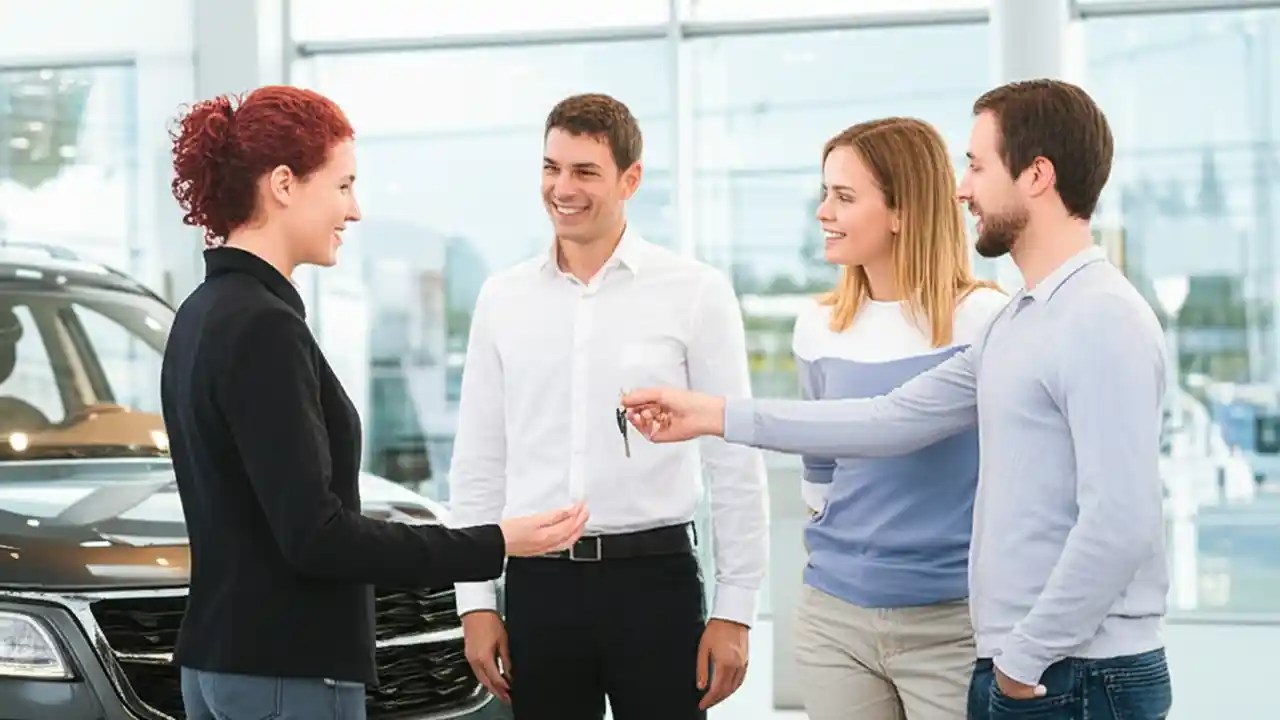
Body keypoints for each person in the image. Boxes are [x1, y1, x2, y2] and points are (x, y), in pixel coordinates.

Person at [622, 79, 1174, 720]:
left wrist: (1025, 659)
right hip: (1029, 663)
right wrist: (710, 414)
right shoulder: (1023, 322)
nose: (961, 187)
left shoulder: (1100, 317)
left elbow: (1122, 521)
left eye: (976, 165)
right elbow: (888, 420)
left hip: (1073, 671)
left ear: (1037, 175)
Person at [160, 86, 589, 720]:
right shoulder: (264, 328)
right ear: (283, 184)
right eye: (342, 185)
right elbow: (319, 538)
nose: (354, 210)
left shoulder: (201, 314)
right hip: (286, 668)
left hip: (220, 664)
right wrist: (493, 541)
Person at [447, 92, 768, 720]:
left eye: (585, 172)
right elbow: (480, 459)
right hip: (539, 585)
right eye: (551, 167)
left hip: (656, 583)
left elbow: (732, 459)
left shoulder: (696, 293)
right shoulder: (501, 298)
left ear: (631, 179)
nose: (562, 188)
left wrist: (736, 610)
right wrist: (476, 602)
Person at [791, 116, 1006, 720]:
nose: (823, 212)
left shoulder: (986, 320)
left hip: (952, 625)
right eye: (825, 192)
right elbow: (819, 472)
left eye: (844, 196)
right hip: (834, 619)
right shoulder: (817, 325)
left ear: (903, 212)